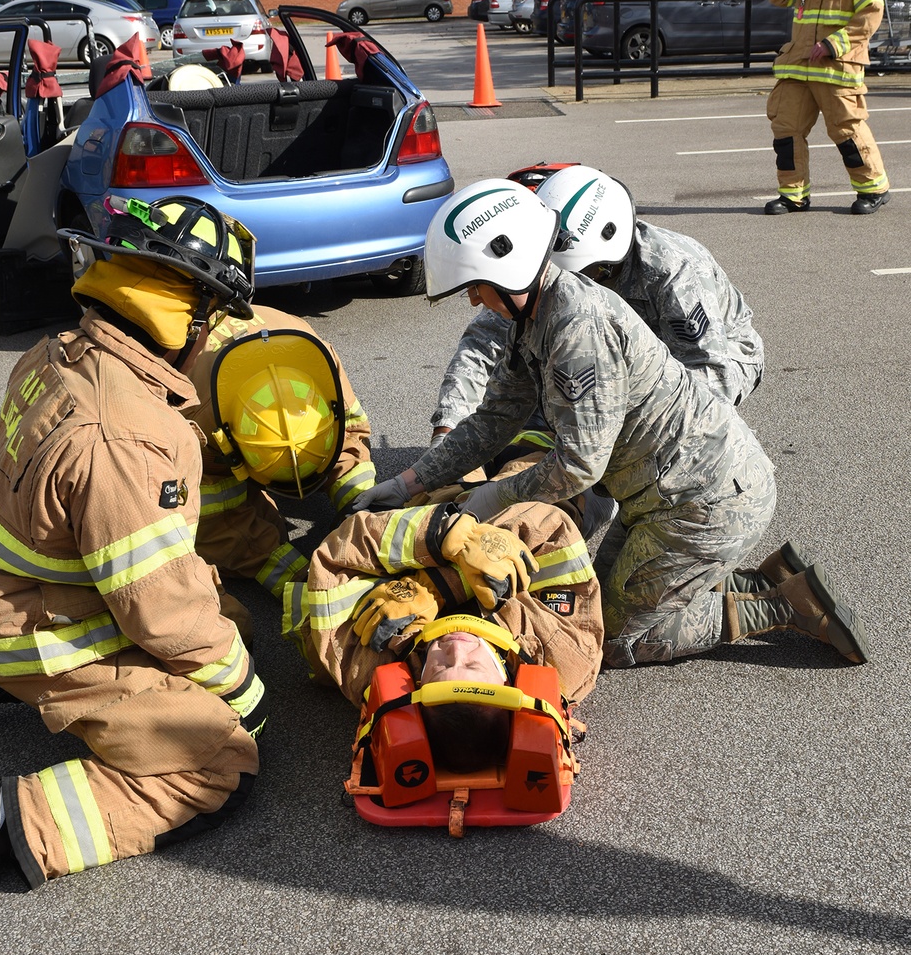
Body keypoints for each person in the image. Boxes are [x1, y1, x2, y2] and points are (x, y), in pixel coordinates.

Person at [0, 196, 267, 918]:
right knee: (218, 754)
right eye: (214, 316)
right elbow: (161, 609)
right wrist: (241, 690)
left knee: (230, 619)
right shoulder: (132, 434)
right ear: (187, 318)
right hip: (51, 630)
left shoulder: (57, 355)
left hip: (9, 596)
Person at [353, 180, 869, 670]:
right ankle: (763, 579)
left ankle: (785, 609)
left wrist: (492, 497)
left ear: (511, 270)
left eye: (476, 287)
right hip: (661, 499)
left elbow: (579, 465)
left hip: (703, 505)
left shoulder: (578, 328)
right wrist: (409, 482)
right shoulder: (534, 318)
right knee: (593, 603)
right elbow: (492, 421)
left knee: (612, 640)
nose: (472, 300)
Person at [431, 166, 763, 447]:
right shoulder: (541, 262)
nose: (569, 286)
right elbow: (483, 345)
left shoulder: (673, 271)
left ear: (608, 262)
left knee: (630, 435)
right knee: (543, 407)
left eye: (584, 276)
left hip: (706, 357)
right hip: (623, 357)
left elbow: (709, 373)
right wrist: (448, 430)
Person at [282, 497, 604, 773]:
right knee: (541, 474)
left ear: (418, 685)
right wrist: (475, 548)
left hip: (410, 513)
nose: (456, 649)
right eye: (474, 667)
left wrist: (439, 537)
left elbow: (335, 559)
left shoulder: (365, 669)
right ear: (508, 684)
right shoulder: (566, 660)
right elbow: (551, 527)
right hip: (501, 506)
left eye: (439, 669)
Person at [185, 304, 376, 606]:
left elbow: (349, 435)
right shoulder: (194, 415)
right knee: (214, 505)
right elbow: (219, 526)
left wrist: (365, 511)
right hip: (209, 422)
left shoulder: (320, 363)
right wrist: (302, 581)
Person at [765, 0, 889, 215]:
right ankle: (794, 196)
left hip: (838, 64)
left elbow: (870, 15)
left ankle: (873, 189)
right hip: (799, 64)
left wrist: (835, 43)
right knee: (786, 129)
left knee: (846, 131)